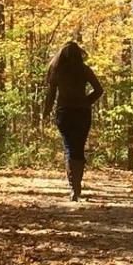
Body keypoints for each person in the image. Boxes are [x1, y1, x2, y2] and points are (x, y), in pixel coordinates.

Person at [41, 41, 103, 201]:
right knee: (79, 148)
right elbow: (99, 90)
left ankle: (73, 187)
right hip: (82, 113)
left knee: (69, 147)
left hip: (64, 113)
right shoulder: (84, 70)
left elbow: (51, 95)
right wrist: (85, 101)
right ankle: (77, 185)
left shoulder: (57, 71)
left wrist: (46, 113)